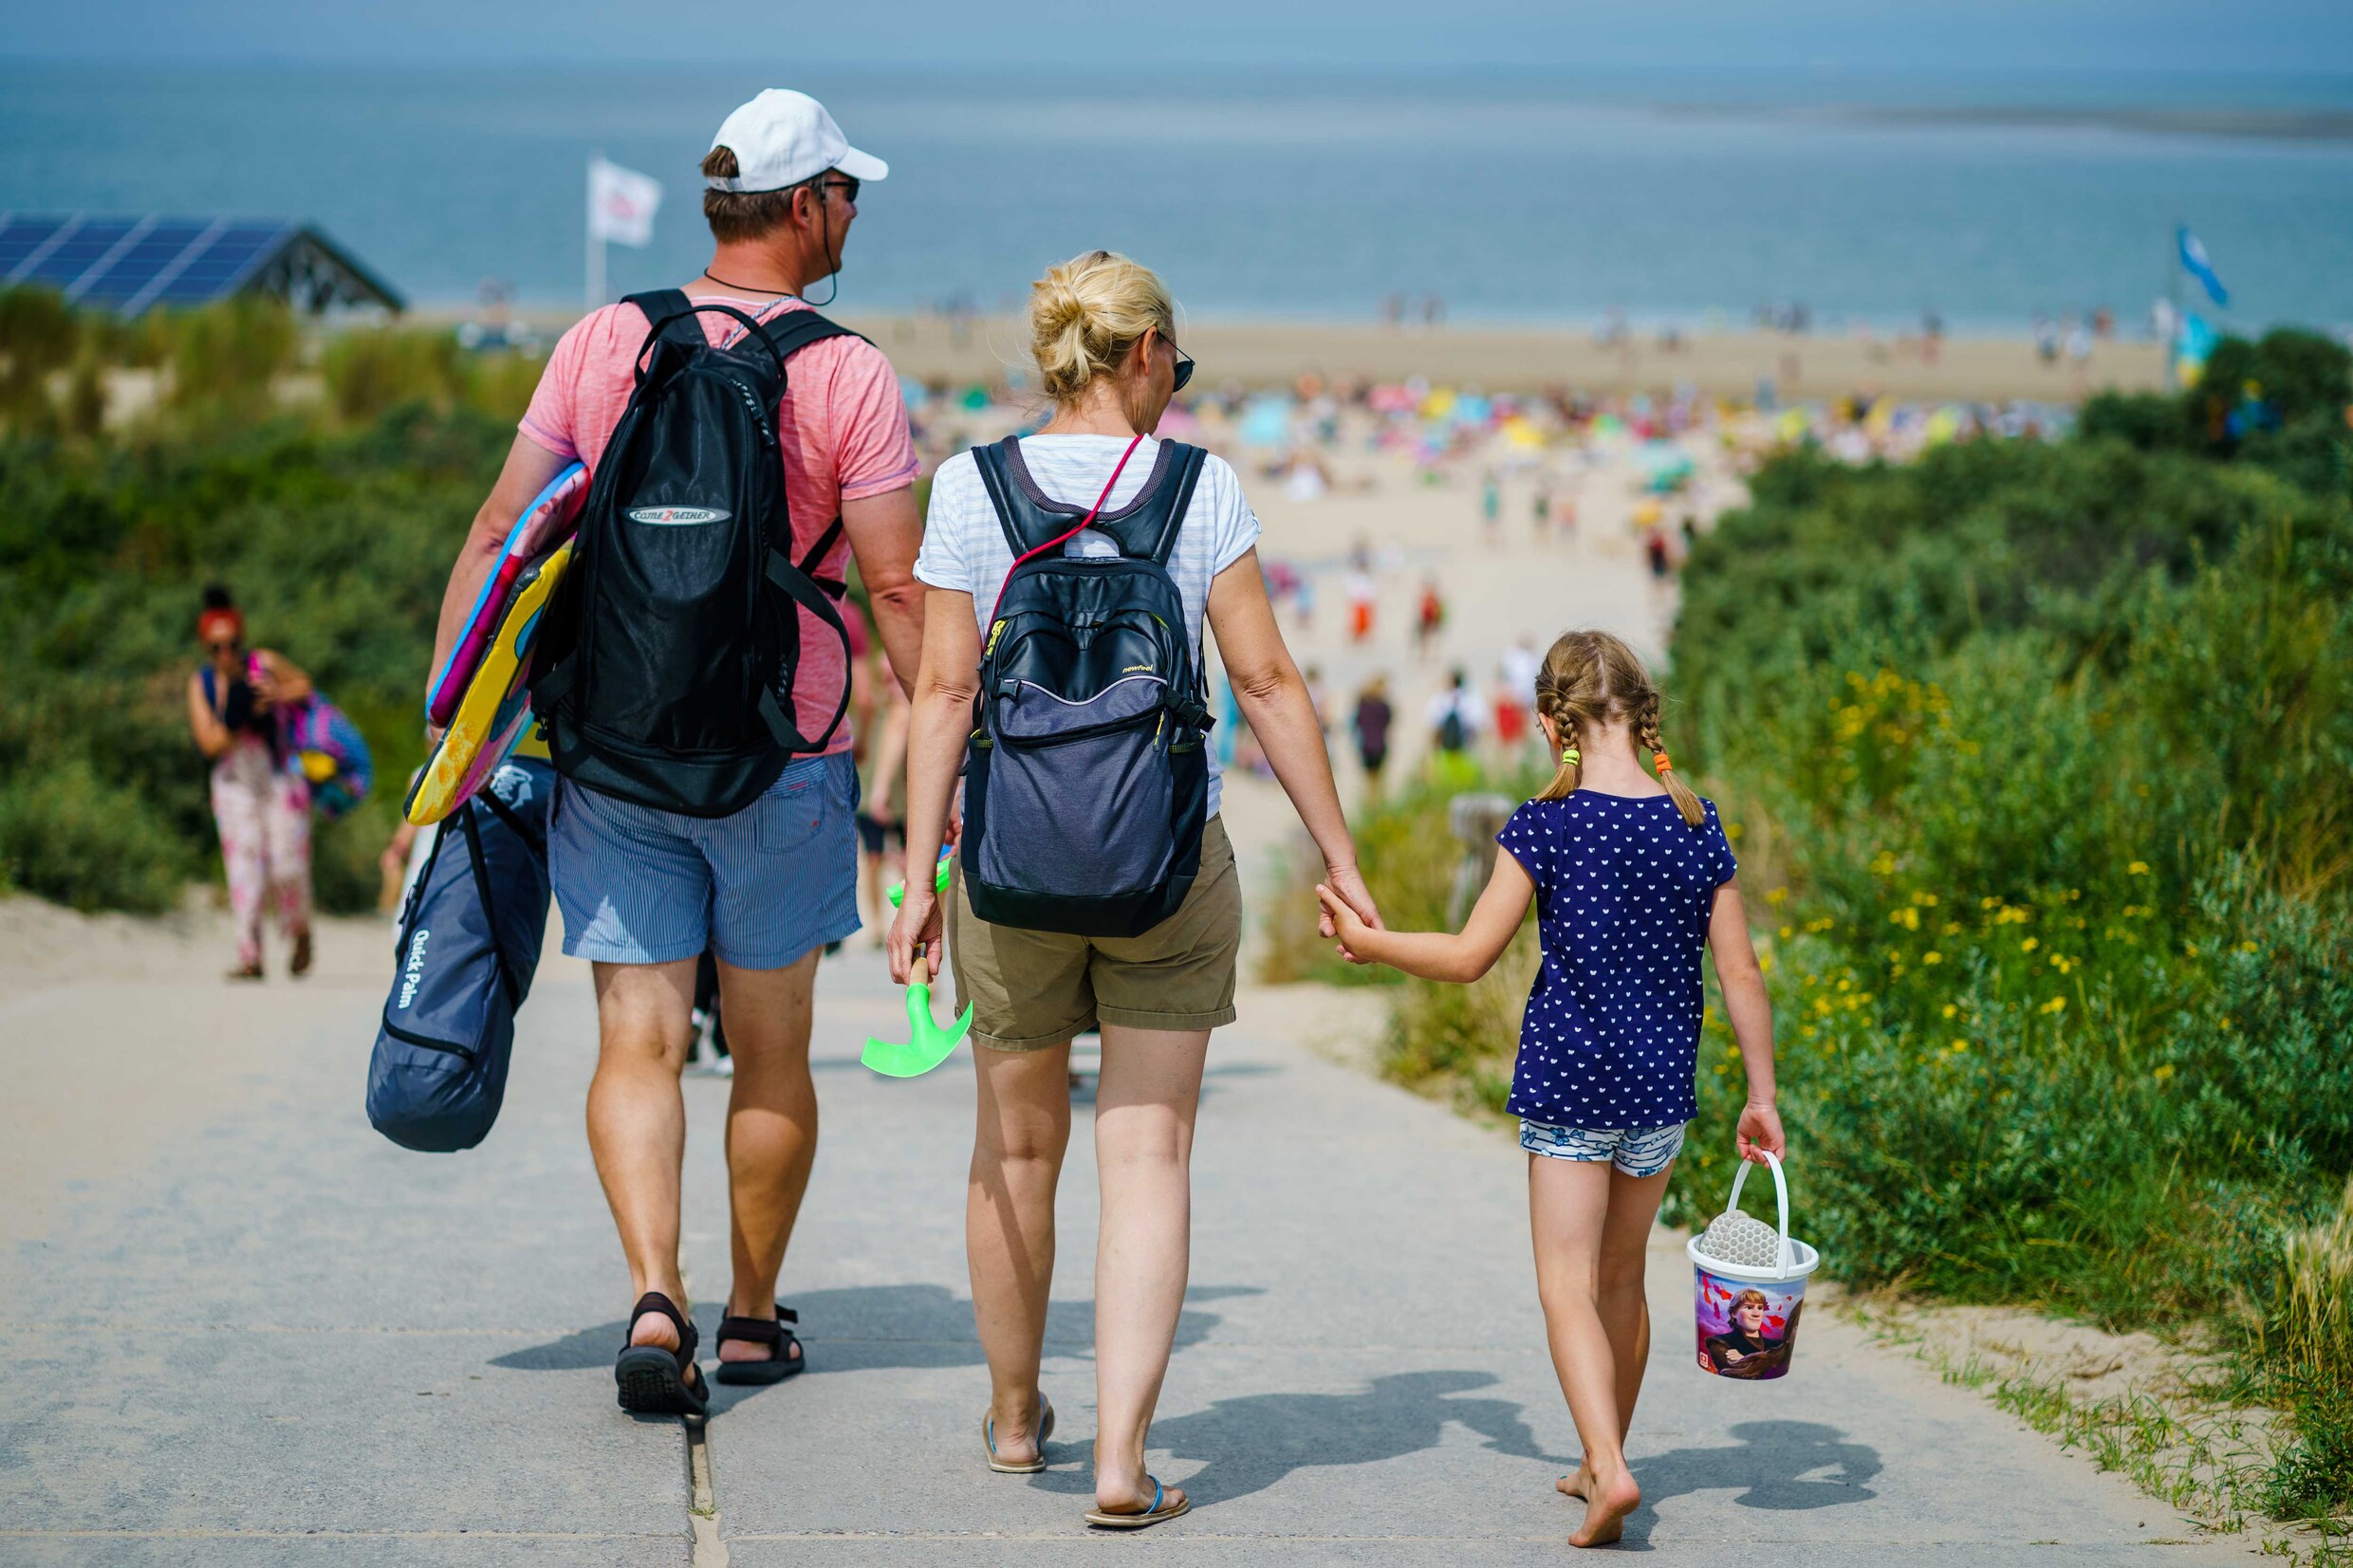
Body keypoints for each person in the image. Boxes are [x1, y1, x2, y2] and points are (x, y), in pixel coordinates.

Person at [425, 87, 925, 1414]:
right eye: (847, 193)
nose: (855, 214)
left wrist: (452, 736)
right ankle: (754, 1317)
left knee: (637, 1041)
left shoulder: (606, 339)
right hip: (788, 757)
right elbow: (892, 594)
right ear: (808, 204)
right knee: (771, 1050)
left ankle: (657, 1295)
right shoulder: (849, 370)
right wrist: (948, 743)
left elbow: (496, 534)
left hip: (618, 750)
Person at [890, 249, 1381, 1530]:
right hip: (1166, 864)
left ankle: (1013, 1419)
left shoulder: (969, 486)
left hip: (1008, 868)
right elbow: (1267, 684)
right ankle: (1119, 1459)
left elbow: (942, 692)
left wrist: (912, 870)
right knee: (1147, 1152)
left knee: (1016, 1146)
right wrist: (1338, 853)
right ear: (1146, 351)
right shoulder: (1198, 487)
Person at [1315, 629, 1784, 1548]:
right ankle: (1594, 1454)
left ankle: (1607, 1469)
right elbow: (1742, 978)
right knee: (1620, 1278)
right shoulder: (1697, 824)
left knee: (1565, 1281)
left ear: (1549, 725)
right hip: (1658, 1091)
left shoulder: (1546, 824)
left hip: (1570, 1083)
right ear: (1642, 715)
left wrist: (1370, 945)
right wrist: (1759, 1095)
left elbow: (1464, 957)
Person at [186, 585, 315, 982]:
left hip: (278, 777)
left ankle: (300, 930)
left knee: (287, 866)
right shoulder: (201, 684)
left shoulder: (264, 663)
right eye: (217, 647)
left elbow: (305, 686)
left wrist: (273, 696)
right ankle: (250, 955)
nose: (226, 654)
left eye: (232, 644)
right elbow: (209, 742)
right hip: (234, 784)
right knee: (244, 871)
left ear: (241, 639)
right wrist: (238, 719)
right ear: (207, 647)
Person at [1351, 675, 1394, 795]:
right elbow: (1389, 722)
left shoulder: (1363, 706)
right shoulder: (1383, 707)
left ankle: (1371, 803)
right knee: (1379, 778)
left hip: (1366, 745)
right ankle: (1377, 803)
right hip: (1380, 744)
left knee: (1369, 778)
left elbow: (1356, 723)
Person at [1427, 666, 1481, 758]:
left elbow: (1433, 724)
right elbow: (1476, 724)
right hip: (1465, 746)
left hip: (1445, 747)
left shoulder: (1440, 699)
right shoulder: (1470, 699)